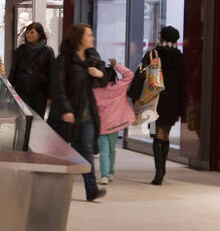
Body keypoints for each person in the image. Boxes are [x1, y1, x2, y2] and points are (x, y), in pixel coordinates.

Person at [49, 23, 106, 202]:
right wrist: (66, 110)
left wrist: (99, 74)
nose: (92, 38)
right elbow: (58, 87)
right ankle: (53, 187)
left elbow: (104, 77)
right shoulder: (64, 60)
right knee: (61, 152)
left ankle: (91, 189)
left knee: (86, 149)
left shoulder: (92, 57)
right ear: (79, 38)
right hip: (68, 114)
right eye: (89, 35)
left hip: (87, 113)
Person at [129, 25, 187, 185]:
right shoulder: (180, 57)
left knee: (155, 133)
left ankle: (158, 171)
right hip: (171, 104)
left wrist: (135, 97)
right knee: (165, 134)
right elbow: (183, 85)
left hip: (152, 100)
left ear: (161, 37)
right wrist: (181, 108)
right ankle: (162, 169)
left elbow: (140, 74)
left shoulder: (152, 54)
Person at [93, 59, 135, 185]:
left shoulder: (95, 91)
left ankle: (104, 175)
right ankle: (111, 172)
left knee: (104, 150)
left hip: (101, 125)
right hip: (115, 124)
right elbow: (130, 75)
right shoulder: (119, 87)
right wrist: (116, 65)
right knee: (112, 148)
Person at [10, 21, 53, 117]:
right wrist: (10, 90)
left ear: (39, 34)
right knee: (22, 120)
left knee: (37, 121)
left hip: (39, 94)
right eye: (27, 32)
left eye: (32, 32)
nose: (28, 35)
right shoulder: (19, 51)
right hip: (22, 92)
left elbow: (51, 74)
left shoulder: (47, 52)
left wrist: (50, 96)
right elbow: (13, 72)